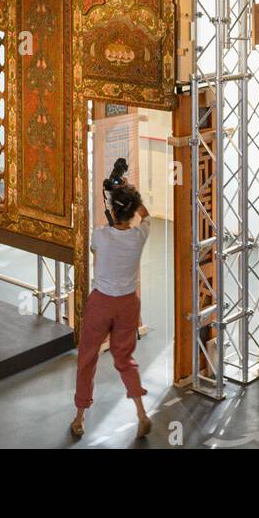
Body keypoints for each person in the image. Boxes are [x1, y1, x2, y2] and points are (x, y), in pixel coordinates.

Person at [70, 157, 151, 440]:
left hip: (102, 302)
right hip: (128, 303)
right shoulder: (141, 235)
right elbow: (146, 214)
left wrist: (119, 194)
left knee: (87, 357)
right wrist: (128, 191)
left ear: (114, 211)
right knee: (125, 358)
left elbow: (96, 248)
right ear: (130, 212)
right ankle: (141, 412)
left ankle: (80, 418)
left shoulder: (100, 236)